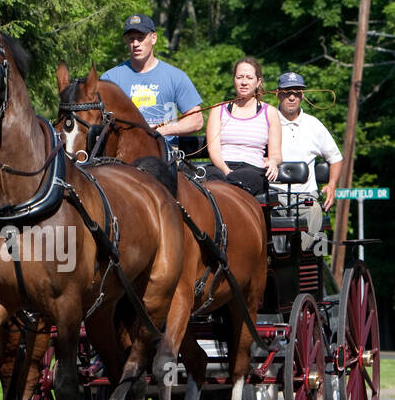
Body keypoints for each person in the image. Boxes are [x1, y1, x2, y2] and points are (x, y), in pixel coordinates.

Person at [100, 14, 203, 148]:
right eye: (131, 39)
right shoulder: (109, 79)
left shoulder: (176, 76)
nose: (135, 44)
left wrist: (162, 131)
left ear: (153, 38)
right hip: (122, 157)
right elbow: (97, 120)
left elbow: (196, 121)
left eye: (140, 38)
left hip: (165, 159)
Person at [274, 71, 343, 252]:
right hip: (273, 195)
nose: (291, 97)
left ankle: (300, 257)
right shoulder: (268, 121)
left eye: (296, 92)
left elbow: (335, 158)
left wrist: (332, 184)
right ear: (277, 94)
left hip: (305, 198)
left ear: (302, 96)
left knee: (314, 211)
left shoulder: (313, 125)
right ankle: (275, 261)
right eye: (287, 92)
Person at [205, 56, 282, 197]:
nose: (244, 82)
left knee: (242, 178)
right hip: (221, 168)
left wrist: (273, 162)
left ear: (258, 81)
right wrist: (227, 172)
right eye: (239, 77)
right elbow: (214, 151)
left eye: (249, 78)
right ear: (234, 80)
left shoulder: (270, 112)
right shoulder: (218, 110)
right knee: (210, 178)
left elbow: (276, 154)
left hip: (251, 170)